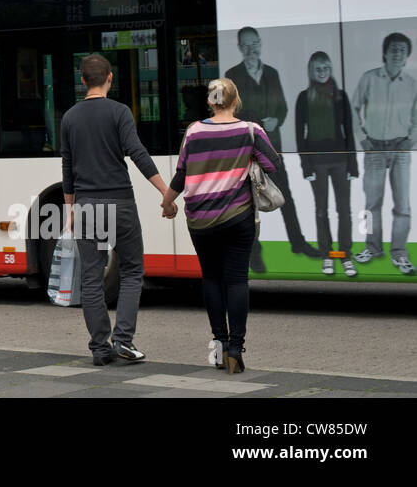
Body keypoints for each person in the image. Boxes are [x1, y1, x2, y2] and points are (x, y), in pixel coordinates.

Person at [162, 78, 283, 373]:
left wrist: (167, 202)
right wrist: (249, 155)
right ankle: (236, 349)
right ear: (235, 100)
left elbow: (181, 175)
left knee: (212, 279)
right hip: (237, 217)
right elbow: (272, 164)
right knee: (237, 280)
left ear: (209, 102)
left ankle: (219, 345)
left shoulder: (193, 131)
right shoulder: (250, 131)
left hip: (200, 220)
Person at [61, 53, 170, 366]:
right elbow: (137, 152)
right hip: (120, 203)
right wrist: (165, 191)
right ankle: (123, 340)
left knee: (92, 278)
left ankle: (99, 348)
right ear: (110, 78)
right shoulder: (120, 112)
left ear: (83, 80)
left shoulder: (69, 117)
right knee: (132, 269)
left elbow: (67, 166)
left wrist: (70, 209)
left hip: (86, 206)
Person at [224, 26, 318, 267]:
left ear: (260, 44)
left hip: (271, 146)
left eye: (254, 43)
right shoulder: (232, 75)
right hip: (244, 148)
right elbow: (230, 111)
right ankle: (253, 251)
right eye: (245, 45)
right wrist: (252, 121)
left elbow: (283, 107)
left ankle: (298, 242)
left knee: (284, 195)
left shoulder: (272, 74)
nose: (250, 49)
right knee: (246, 202)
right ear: (239, 48)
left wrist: (277, 119)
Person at [353, 32, 417, 276]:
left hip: (401, 148)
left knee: (403, 205)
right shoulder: (369, 78)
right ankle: (372, 247)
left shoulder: (412, 84)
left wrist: (412, 139)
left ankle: (399, 253)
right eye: (393, 49)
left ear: (406, 55)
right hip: (375, 148)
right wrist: (363, 139)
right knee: (371, 204)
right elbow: (354, 108)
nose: (397, 53)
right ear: (385, 52)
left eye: (402, 49)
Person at [295, 52, 358, 276]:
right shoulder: (304, 97)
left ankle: (345, 255)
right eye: (317, 68)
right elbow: (299, 135)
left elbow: (349, 131)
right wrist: (306, 166)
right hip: (317, 162)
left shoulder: (340, 96)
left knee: (344, 211)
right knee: (321, 211)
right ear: (311, 71)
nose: (322, 72)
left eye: (325, 68)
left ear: (330, 69)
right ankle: (327, 255)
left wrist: (353, 165)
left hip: (341, 160)